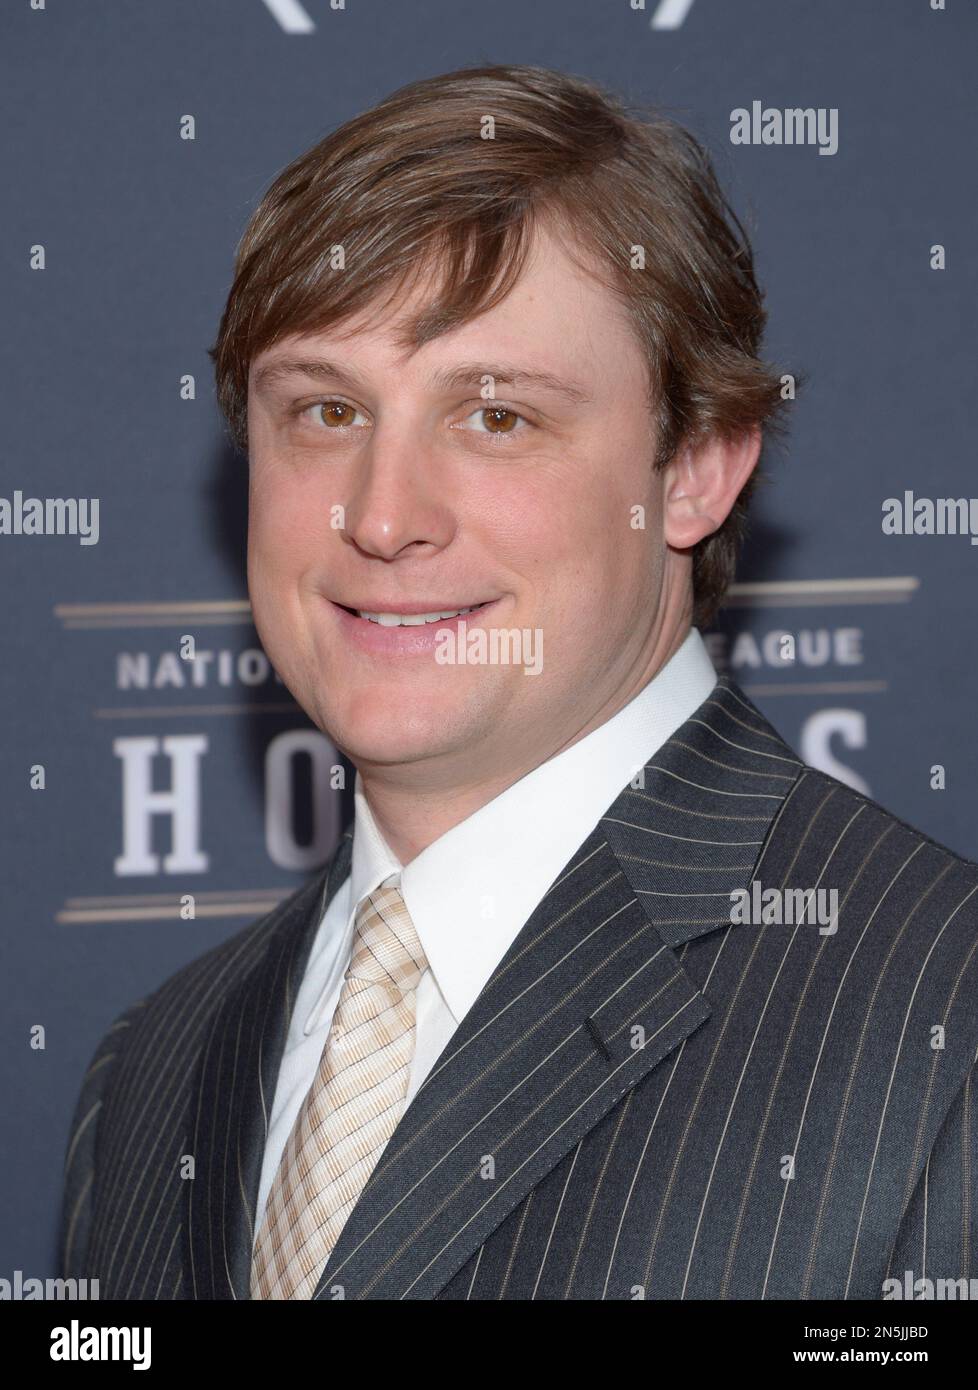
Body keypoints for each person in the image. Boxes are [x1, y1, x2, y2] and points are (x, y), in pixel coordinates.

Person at [60, 63, 978, 1301]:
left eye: (495, 417)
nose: (382, 517)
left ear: (697, 467)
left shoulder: (941, 1012)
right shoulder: (153, 1069)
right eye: (326, 410)